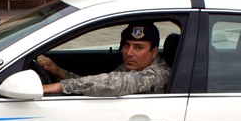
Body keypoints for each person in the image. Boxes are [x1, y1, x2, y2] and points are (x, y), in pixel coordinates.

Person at [39, 21, 171, 96]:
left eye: (138, 47)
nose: (129, 53)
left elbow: (113, 83)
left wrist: (59, 86)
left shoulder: (160, 74)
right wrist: (59, 72)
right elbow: (97, 82)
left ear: (154, 52)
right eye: (126, 45)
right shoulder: (130, 67)